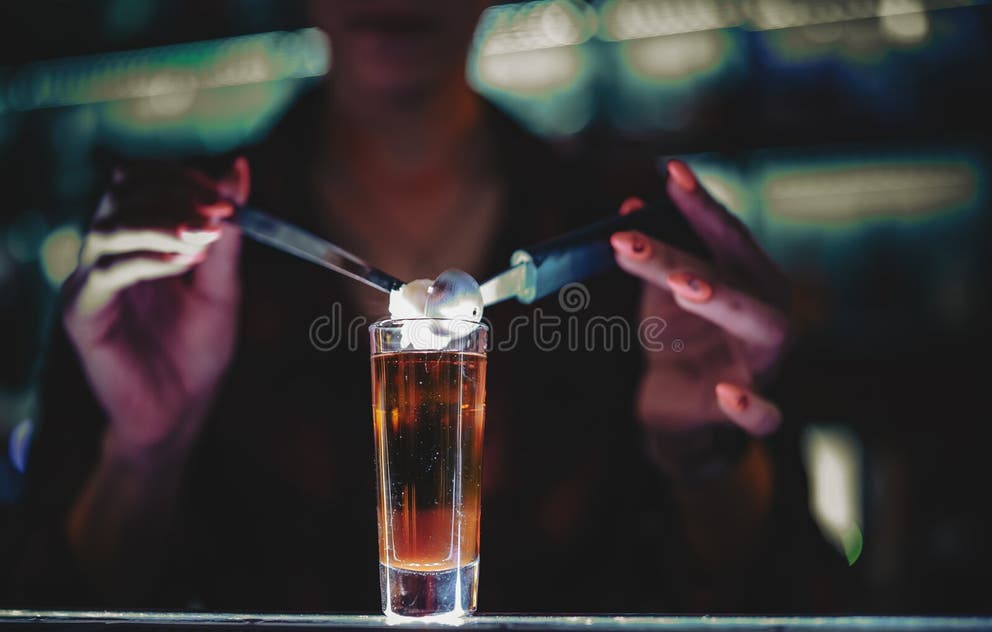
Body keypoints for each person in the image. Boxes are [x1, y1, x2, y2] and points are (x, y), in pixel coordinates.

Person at [17, 0, 849, 613]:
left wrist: (701, 454)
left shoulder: (625, 242)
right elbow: (51, 589)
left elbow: (799, 589)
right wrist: (145, 452)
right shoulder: (169, 255)